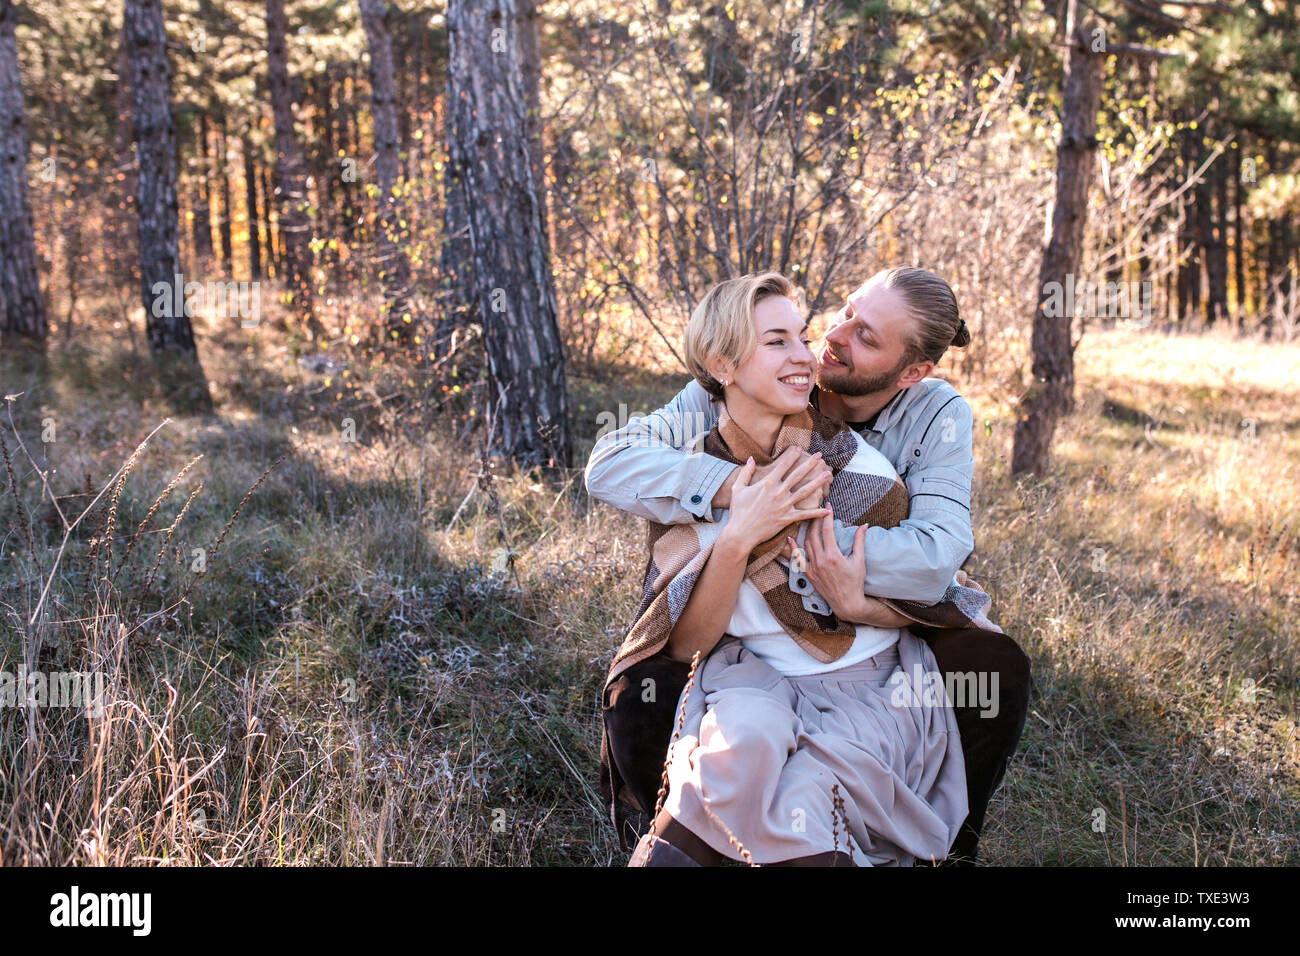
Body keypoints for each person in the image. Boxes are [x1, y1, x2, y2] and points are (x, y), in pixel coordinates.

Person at [587, 266, 1031, 864]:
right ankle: (669, 829)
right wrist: (744, 494)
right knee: (649, 693)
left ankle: (952, 845)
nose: (832, 339)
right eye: (846, 311)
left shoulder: (933, 414)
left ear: (911, 372)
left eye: (868, 337)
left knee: (992, 668)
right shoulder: (732, 395)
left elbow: (934, 559)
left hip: (872, 619)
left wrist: (821, 551)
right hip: (754, 650)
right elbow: (610, 466)